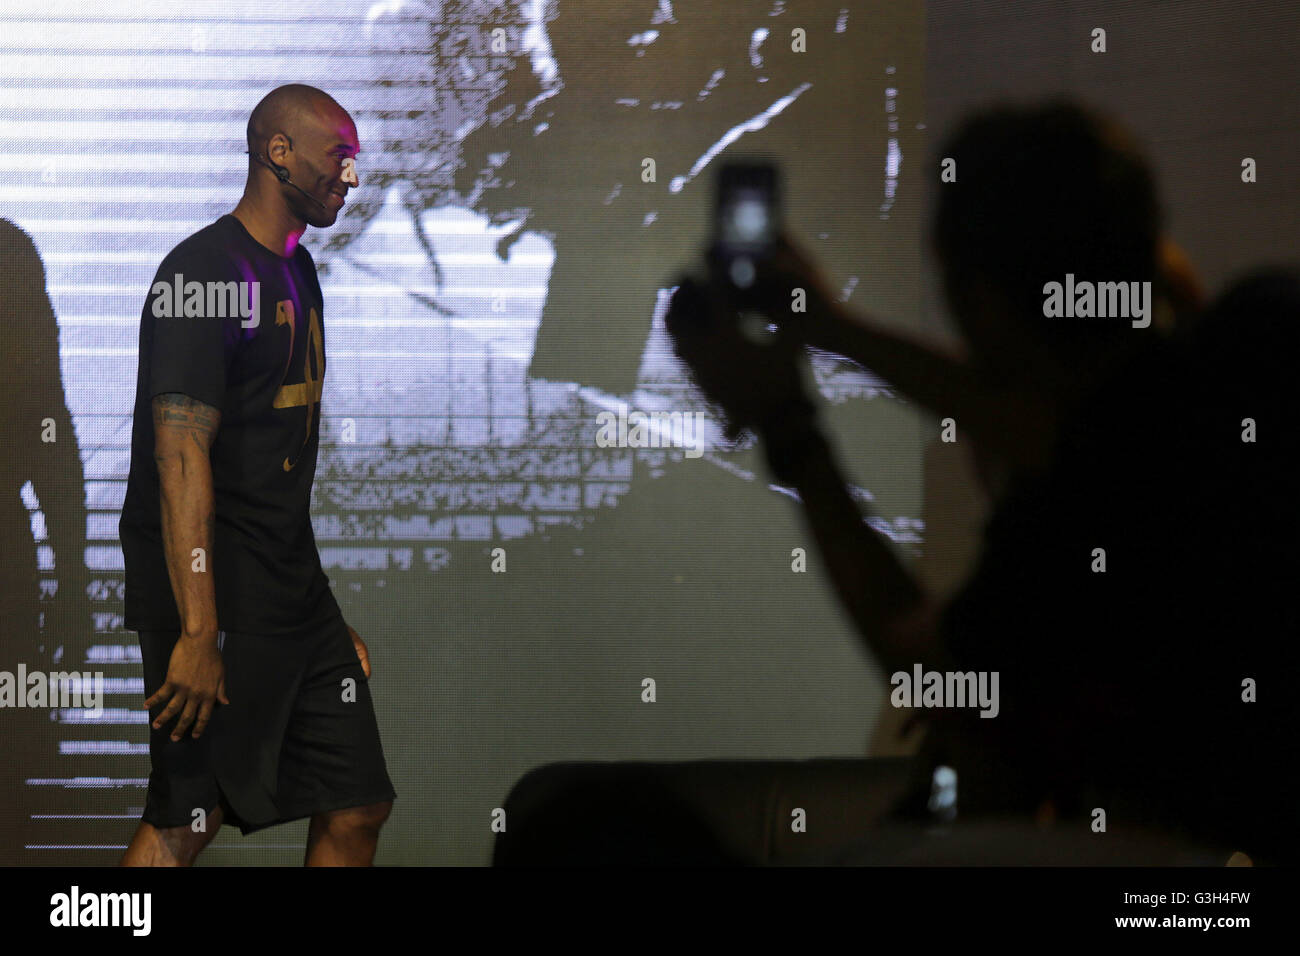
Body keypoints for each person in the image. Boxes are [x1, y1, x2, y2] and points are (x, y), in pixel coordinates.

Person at [665, 99, 1293, 863]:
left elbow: (923, 660)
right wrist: (830, 330)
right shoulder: (1259, 344)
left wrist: (790, 427)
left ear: (977, 303)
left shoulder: (1057, 533)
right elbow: (1090, 421)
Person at [117, 84, 395, 866]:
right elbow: (178, 457)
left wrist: (317, 611)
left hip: (288, 597)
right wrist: (200, 632)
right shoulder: (200, 273)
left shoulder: (297, 271)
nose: (349, 174)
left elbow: (277, 471)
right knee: (186, 819)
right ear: (280, 153)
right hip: (213, 597)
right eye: (338, 155)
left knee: (357, 801)